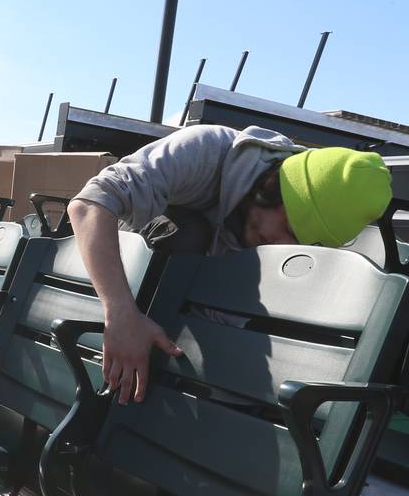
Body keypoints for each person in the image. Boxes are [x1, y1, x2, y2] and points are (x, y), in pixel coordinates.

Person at [66, 124, 392, 405]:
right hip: (122, 282)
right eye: (289, 229)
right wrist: (121, 314)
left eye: (299, 244)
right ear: (272, 187)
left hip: (183, 316)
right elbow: (89, 204)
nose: (281, 245)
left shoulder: (267, 244)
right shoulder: (205, 150)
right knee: (189, 233)